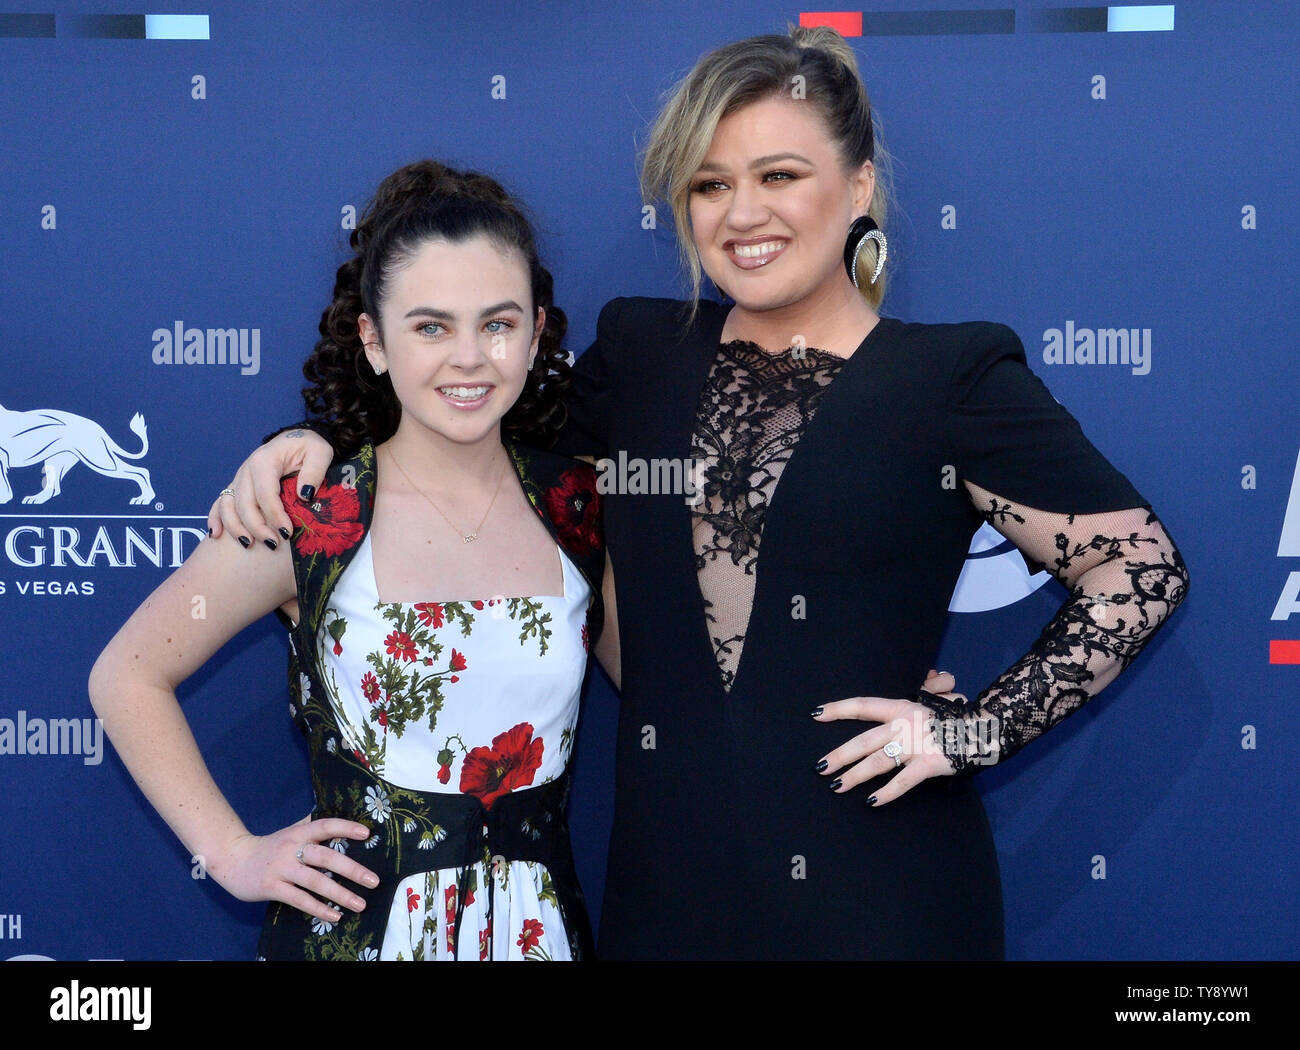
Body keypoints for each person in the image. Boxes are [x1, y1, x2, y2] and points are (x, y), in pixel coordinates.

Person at [208, 27, 1189, 960]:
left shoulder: (954, 377)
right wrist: (315, 440)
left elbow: (1140, 570)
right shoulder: (640, 355)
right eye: (710, 183)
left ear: (859, 189)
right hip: (664, 902)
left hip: (883, 894)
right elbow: (466, 424)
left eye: (779, 176)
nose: (742, 212)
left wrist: (975, 729)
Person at [89, 161, 616, 960]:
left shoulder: (577, 511)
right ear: (373, 340)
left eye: (498, 324)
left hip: (538, 937)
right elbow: (125, 675)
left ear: (537, 332)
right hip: (357, 939)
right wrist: (232, 853)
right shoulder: (308, 514)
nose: (469, 358)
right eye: (430, 327)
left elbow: (682, 696)